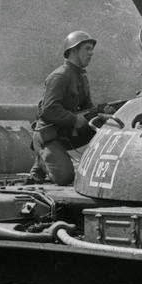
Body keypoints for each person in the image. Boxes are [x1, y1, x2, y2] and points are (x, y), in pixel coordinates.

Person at [29, 31, 109, 186]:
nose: (91, 53)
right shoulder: (60, 76)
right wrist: (74, 119)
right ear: (73, 51)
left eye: (91, 49)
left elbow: (87, 108)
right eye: (87, 48)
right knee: (65, 178)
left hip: (66, 132)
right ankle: (41, 161)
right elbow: (48, 110)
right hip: (49, 135)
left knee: (105, 130)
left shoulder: (81, 77)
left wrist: (101, 115)